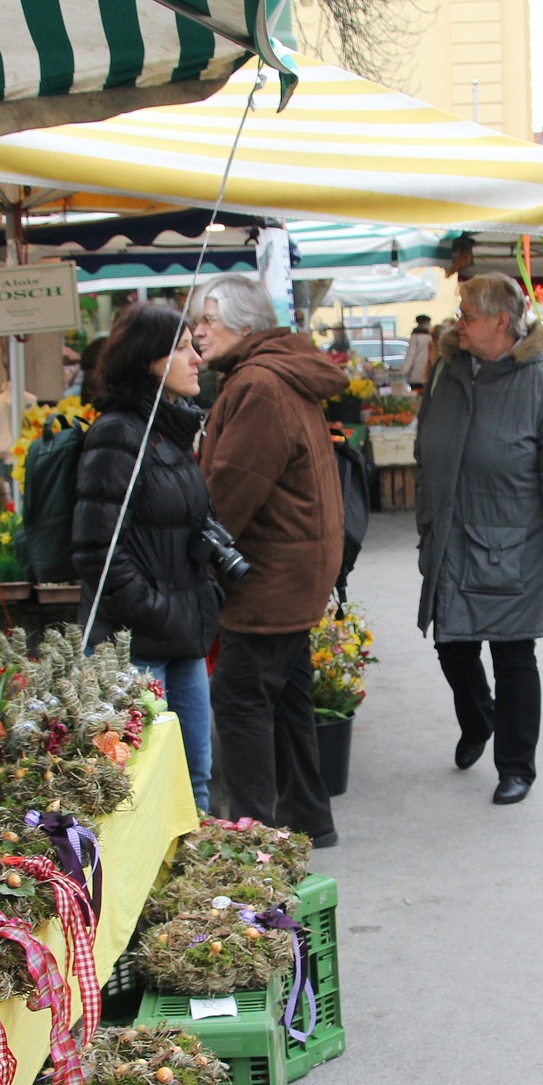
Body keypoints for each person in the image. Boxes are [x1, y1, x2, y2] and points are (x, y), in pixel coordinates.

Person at [416, 273, 543, 806]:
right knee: (451, 644)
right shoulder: (448, 369)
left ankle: (517, 766)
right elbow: (427, 447)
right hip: (452, 534)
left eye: (468, 314)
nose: (458, 323)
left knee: (514, 656)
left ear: (501, 321)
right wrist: (428, 518)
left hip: (514, 542)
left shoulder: (542, 382)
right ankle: (478, 719)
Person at [192, 273, 346, 847]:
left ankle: (254, 837)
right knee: (287, 697)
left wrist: (195, 553)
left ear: (245, 325)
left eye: (209, 320)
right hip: (296, 565)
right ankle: (310, 817)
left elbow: (233, 487)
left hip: (271, 572)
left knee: (240, 697)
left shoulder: (257, 383)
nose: (198, 332)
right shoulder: (273, 371)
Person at [71, 303, 224, 811]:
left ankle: (198, 889)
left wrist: (206, 592)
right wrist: (155, 608)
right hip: (138, 645)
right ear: (150, 361)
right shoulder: (118, 433)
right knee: (140, 792)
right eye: (182, 347)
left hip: (181, 637)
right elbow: (97, 550)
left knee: (195, 782)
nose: (196, 357)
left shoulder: (171, 432)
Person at [404, 314, 435, 390]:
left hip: (416, 374)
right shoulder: (433, 336)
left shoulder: (416, 336)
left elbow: (411, 355)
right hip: (430, 374)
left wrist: (404, 371)